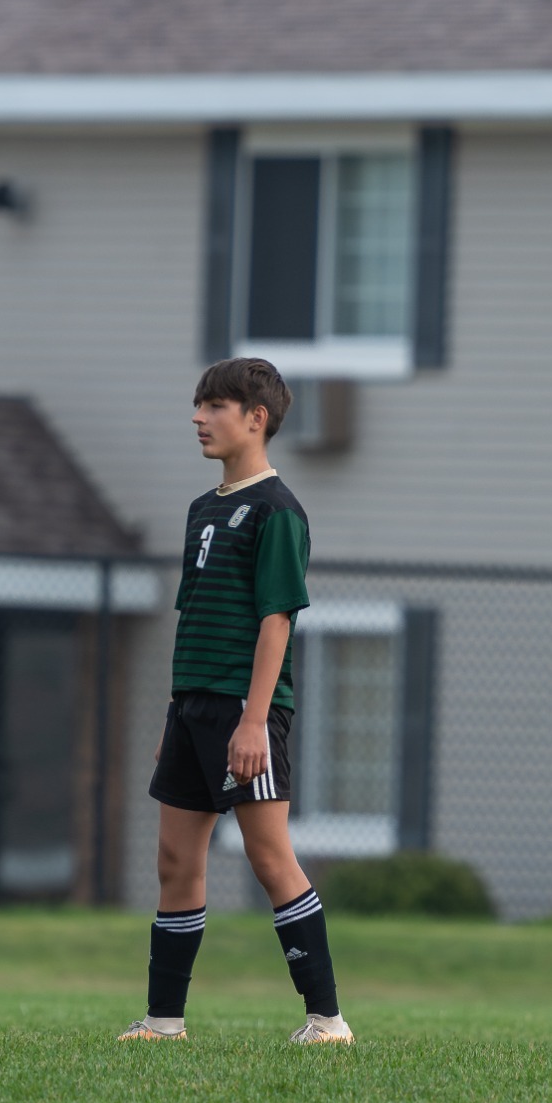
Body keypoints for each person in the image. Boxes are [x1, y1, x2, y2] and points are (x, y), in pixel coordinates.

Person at [120, 357, 351, 1045]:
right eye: (198, 405)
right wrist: (174, 711)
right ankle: (164, 1022)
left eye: (214, 406)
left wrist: (253, 719)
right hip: (191, 708)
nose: (198, 417)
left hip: (245, 711)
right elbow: (192, 615)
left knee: (270, 857)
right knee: (174, 861)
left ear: (256, 418)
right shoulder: (203, 509)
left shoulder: (279, 512)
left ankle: (327, 1019)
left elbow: (276, 619)